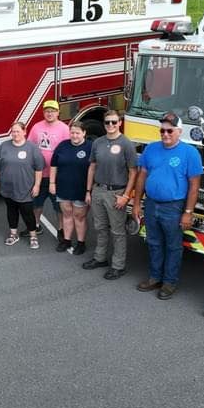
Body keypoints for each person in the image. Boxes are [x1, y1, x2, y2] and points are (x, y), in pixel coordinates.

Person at [133, 112, 203, 300]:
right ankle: (155, 277)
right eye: (162, 130)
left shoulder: (190, 153)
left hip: (174, 206)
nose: (165, 134)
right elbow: (142, 176)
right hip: (151, 204)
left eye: (169, 130)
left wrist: (188, 212)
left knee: (173, 246)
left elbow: (194, 186)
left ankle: (169, 281)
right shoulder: (151, 149)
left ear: (179, 131)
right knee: (154, 242)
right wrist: (137, 203)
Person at [82, 110, 138, 280]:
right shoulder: (98, 142)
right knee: (99, 227)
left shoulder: (126, 144)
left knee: (118, 231)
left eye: (114, 122)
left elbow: (133, 172)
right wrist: (89, 190)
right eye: (107, 122)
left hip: (116, 192)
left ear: (120, 122)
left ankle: (118, 266)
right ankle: (100, 258)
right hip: (98, 190)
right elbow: (92, 166)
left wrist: (126, 196)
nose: (111, 125)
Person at [0, 122, 45, 249]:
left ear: (24, 131)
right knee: (11, 211)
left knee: (27, 213)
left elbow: (39, 169)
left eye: (18, 131)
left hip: (25, 188)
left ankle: (33, 236)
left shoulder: (32, 148)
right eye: (13, 131)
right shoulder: (3, 147)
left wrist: (37, 185)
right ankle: (13, 234)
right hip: (7, 188)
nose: (15, 134)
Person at [26, 99, 70, 235]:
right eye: (47, 111)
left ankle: (61, 230)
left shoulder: (64, 128)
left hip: (57, 177)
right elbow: (29, 147)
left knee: (59, 207)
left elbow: (67, 151)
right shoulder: (36, 127)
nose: (49, 113)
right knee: (36, 204)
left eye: (52, 111)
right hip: (39, 175)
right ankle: (35, 226)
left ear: (58, 112)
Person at [49, 121, 92, 256]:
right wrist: (52, 183)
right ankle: (66, 241)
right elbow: (53, 165)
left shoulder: (90, 147)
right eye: (72, 132)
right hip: (63, 187)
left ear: (84, 133)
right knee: (67, 214)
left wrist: (89, 191)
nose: (74, 135)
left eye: (77, 133)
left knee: (79, 217)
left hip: (81, 189)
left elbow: (94, 169)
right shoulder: (63, 146)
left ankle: (81, 243)